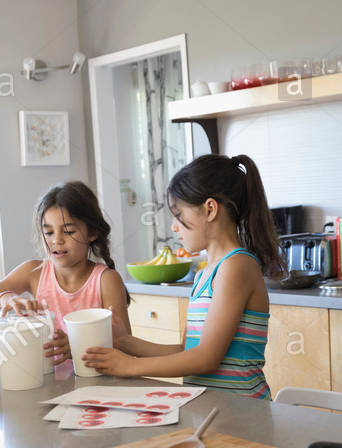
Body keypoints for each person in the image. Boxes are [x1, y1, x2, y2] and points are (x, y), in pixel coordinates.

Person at [83, 154, 284, 398]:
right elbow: (188, 351)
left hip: (246, 413)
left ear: (210, 209)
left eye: (178, 216)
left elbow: (205, 359)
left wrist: (130, 366)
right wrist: (126, 343)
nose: (174, 227)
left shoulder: (236, 267)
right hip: (213, 411)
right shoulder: (203, 275)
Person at [0, 180, 130, 364]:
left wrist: (77, 346)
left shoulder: (106, 280)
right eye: (48, 233)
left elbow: (125, 344)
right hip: (49, 385)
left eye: (68, 231)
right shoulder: (33, 272)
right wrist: (3, 298)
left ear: (92, 232)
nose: (57, 240)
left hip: (97, 386)